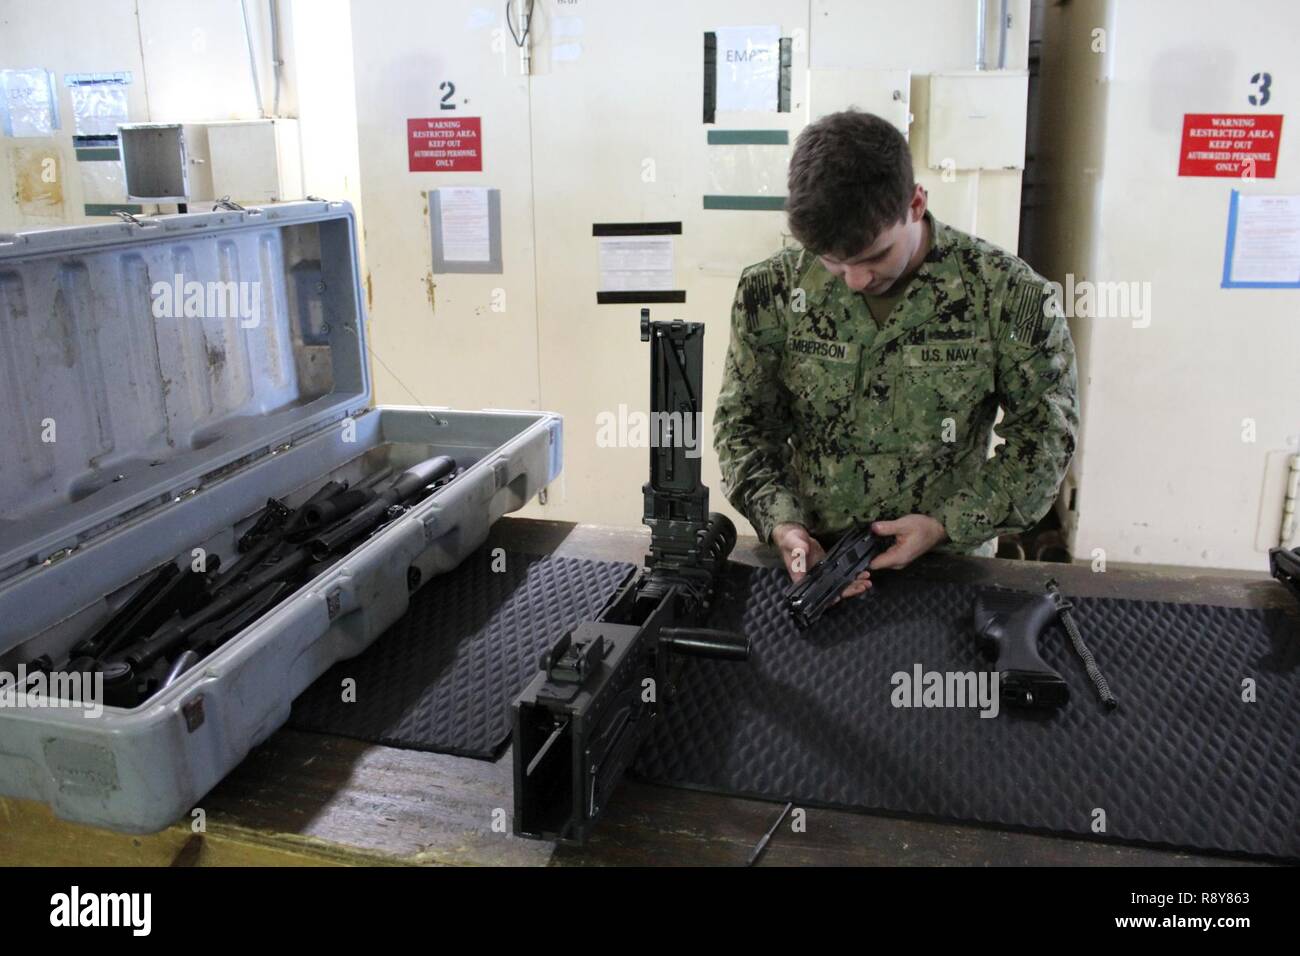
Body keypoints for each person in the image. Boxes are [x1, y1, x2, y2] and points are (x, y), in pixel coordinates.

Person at [713, 109, 1079, 599]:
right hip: (814, 570)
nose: (856, 281)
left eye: (874, 257)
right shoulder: (772, 290)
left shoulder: (1009, 295)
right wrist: (782, 525)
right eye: (832, 262)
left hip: (948, 569)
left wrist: (944, 524)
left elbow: (1045, 441)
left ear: (915, 202)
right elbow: (745, 427)